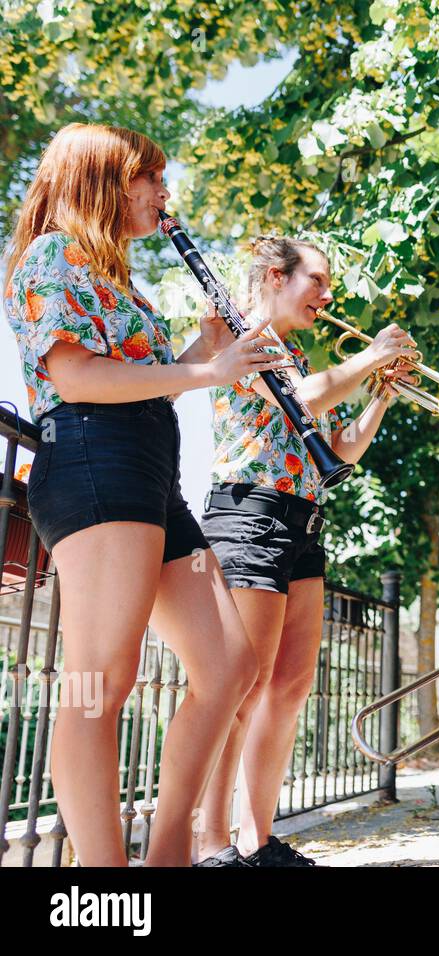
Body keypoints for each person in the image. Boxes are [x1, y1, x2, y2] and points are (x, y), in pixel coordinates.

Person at [1, 123, 282, 866]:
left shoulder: (112, 274)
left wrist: (204, 350)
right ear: (103, 179)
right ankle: (106, 883)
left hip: (147, 469)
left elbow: (144, 381)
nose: (164, 193)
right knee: (99, 678)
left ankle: (166, 862)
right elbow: (77, 379)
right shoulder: (53, 254)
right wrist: (206, 374)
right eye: (150, 177)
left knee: (227, 666)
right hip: (96, 462)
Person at [191, 235, 418, 866]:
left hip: (303, 518)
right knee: (241, 686)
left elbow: (339, 450)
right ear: (274, 276)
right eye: (316, 280)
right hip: (250, 513)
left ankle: (256, 840)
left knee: (288, 686)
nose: (327, 294)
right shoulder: (249, 338)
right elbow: (301, 400)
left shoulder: (293, 353)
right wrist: (370, 358)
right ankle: (211, 845)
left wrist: (380, 393)